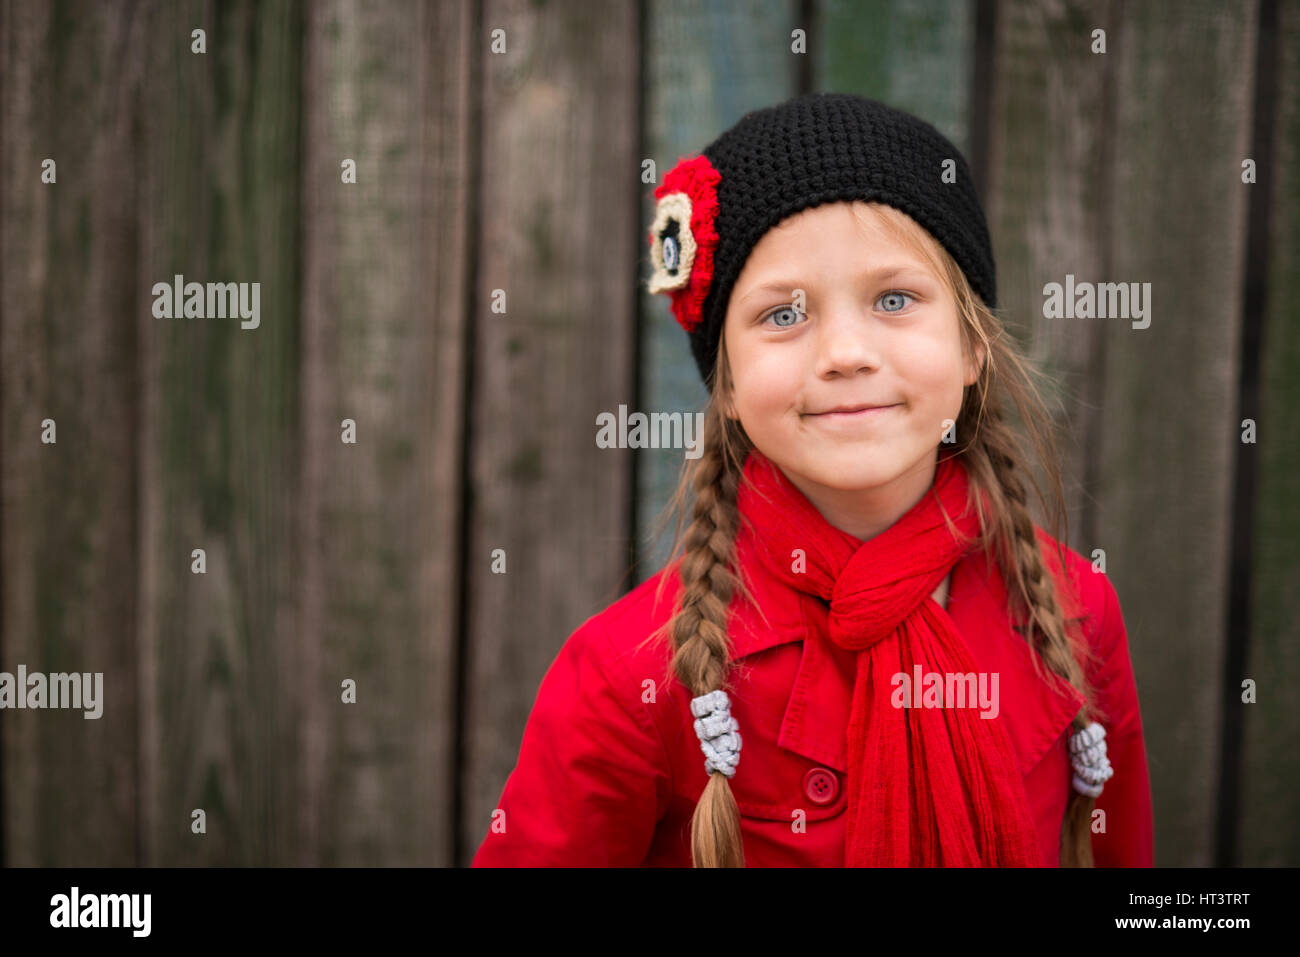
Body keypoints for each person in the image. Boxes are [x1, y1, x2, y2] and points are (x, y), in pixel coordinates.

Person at [472, 92, 1153, 867]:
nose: (845, 353)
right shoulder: (631, 674)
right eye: (784, 315)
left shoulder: (1072, 610)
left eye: (894, 299)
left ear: (973, 349)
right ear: (728, 384)